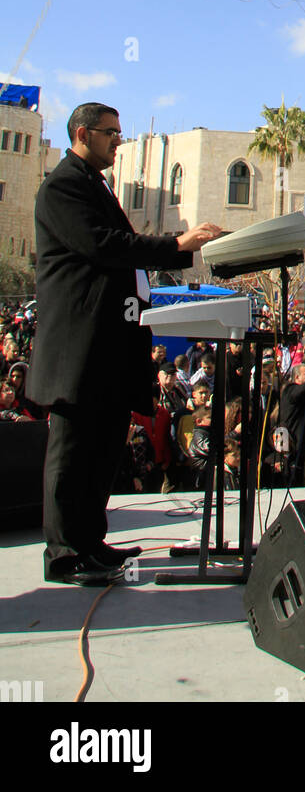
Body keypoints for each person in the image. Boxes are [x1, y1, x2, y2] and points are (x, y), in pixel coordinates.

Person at [28, 102, 224, 586]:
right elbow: (104, 245)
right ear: (81, 133)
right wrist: (176, 246)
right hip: (80, 343)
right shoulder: (63, 186)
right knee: (74, 453)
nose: (119, 141)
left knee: (101, 450)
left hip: (108, 346)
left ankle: (91, 543)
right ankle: (66, 554)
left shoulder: (93, 184)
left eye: (119, 133)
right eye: (110, 133)